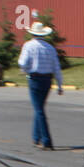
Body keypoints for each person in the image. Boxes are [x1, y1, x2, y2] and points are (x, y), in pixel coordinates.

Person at [17, 21, 63, 150]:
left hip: (35, 79)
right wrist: (60, 85)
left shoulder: (29, 46)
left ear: (32, 33)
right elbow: (56, 68)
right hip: (47, 80)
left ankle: (46, 140)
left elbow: (22, 62)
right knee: (39, 108)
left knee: (39, 110)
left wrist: (25, 69)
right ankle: (36, 137)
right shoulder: (50, 48)